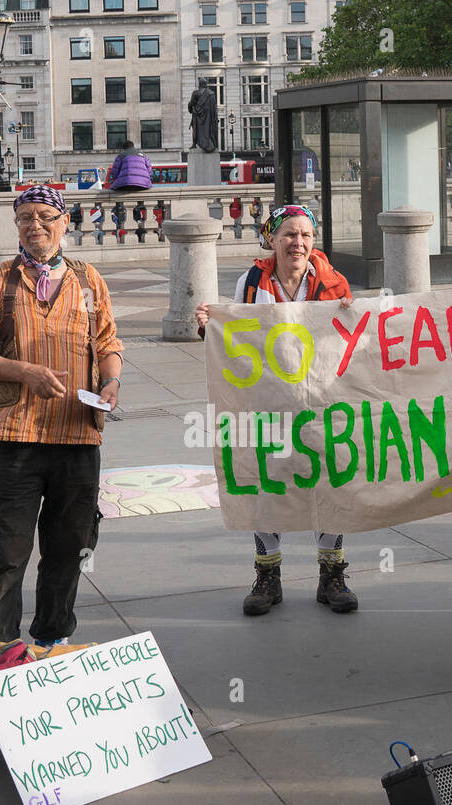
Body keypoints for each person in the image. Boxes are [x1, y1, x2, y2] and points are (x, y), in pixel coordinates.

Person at [0, 184, 124, 651]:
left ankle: (53, 642)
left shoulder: (89, 279)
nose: (36, 226)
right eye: (26, 217)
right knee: (7, 553)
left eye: (46, 217)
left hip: (78, 435)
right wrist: (24, 372)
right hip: (18, 437)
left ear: (64, 223)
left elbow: (108, 344)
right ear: (16, 225)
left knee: (69, 549)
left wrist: (111, 382)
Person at [193, 205, 357, 616]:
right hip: (265, 402)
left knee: (328, 482)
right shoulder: (252, 282)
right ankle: (268, 576)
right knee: (266, 481)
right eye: (288, 234)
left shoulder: (334, 283)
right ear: (272, 239)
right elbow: (234, 337)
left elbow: (354, 340)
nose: (297, 243)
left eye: (304, 235)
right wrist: (208, 327)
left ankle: (331, 573)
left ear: (313, 241)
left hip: (322, 401)